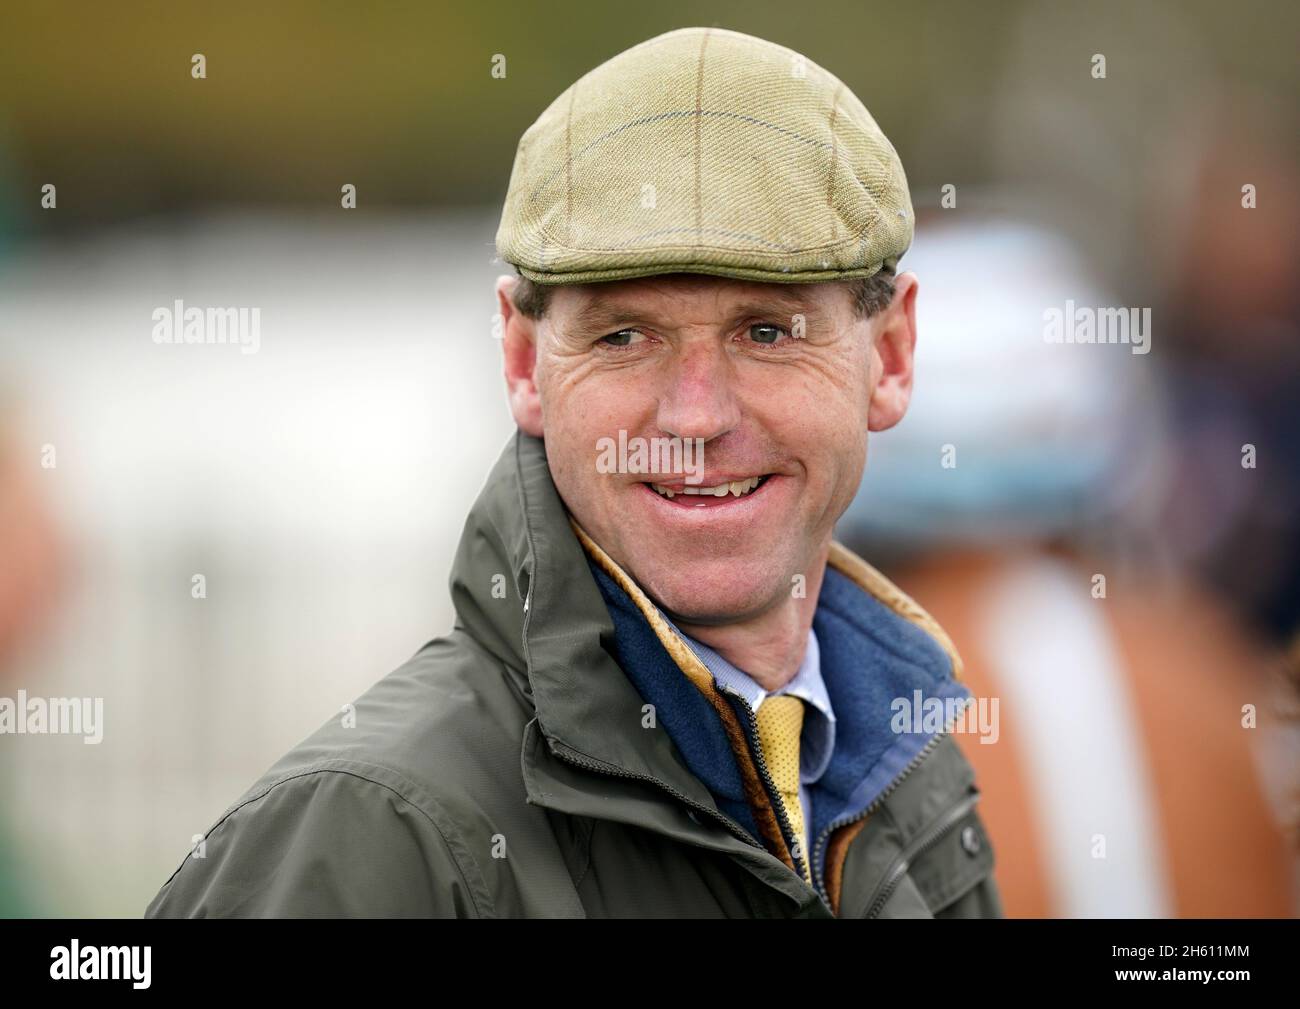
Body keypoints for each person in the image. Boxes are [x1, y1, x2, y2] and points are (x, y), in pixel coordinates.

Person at [145, 25, 1001, 918]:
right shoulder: (368, 840)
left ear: (892, 354)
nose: (696, 416)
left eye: (767, 331)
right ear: (523, 364)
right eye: (624, 336)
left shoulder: (908, 776)